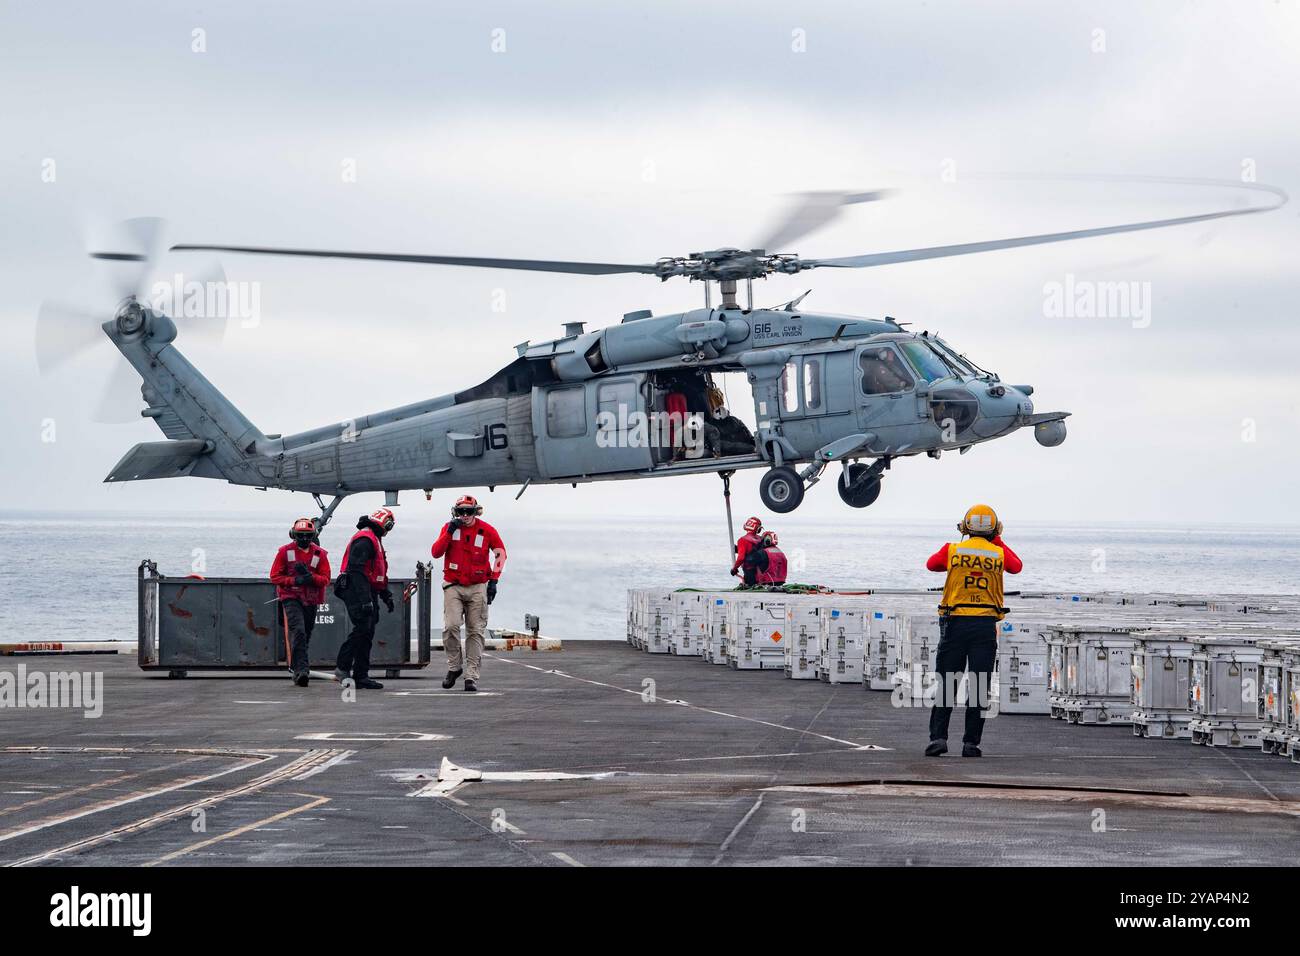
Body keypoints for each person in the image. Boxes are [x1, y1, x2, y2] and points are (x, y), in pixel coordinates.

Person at [923, 504, 1022, 758]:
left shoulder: (953, 550)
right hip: (984, 626)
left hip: (954, 623)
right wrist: (997, 539)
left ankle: (938, 739)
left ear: (965, 527)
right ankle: (971, 744)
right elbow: (1016, 566)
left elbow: (931, 565)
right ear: (995, 528)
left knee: (947, 684)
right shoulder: (998, 552)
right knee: (978, 686)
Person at [431, 495, 506, 693]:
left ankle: (471, 675)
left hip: (478, 586)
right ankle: (454, 667)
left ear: (475, 512)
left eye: (468, 511)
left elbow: (500, 553)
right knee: (451, 626)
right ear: (455, 512)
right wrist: (448, 532)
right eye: (460, 512)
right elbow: (436, 552)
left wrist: (494, 581)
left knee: (475, 631)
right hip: (453, 585)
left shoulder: (487, 530)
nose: (465, 516)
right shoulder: (449, 529)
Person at [332, 507, 396, 689]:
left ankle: (361, 675)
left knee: (367, 631)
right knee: (362, 628)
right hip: (355, 589)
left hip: (365, 589)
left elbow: (375, 573)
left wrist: (385, 595)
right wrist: (365, 599)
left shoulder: (372, 539)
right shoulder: (365, 540)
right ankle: (343, 666)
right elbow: (356, 570)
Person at [269, 518, 330, 687]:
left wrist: (310, 578)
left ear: (313, 536)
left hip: (311, 600)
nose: (303, 539)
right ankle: (301, 670)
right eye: (300, 535)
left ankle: (297, 667)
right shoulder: (284, 552)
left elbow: (325, 579)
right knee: (299, 631)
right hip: (291, 598)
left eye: (307, 535)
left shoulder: (320, 554)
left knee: (305, 634)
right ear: (294, 535)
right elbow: (275, 576)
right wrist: (295, 580)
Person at [731, 516, 764, 583]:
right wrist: (738, 549)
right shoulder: (761, 539)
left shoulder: (743, 540)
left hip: (750, 571)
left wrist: (734, 568)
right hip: (762, 571)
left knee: (749, 588)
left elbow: (741, 558)